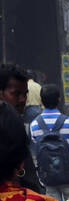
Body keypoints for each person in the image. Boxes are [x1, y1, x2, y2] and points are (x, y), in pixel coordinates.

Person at [30, 83, 69, 201]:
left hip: (47, 176)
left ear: (42, 101)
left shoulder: (34, 125)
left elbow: (36, 149)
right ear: (59, 99)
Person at [0, 63, 42, 192]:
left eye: (25, 94)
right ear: (1, 93)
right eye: (16, 94)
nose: (23, 100)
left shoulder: (16, 126)